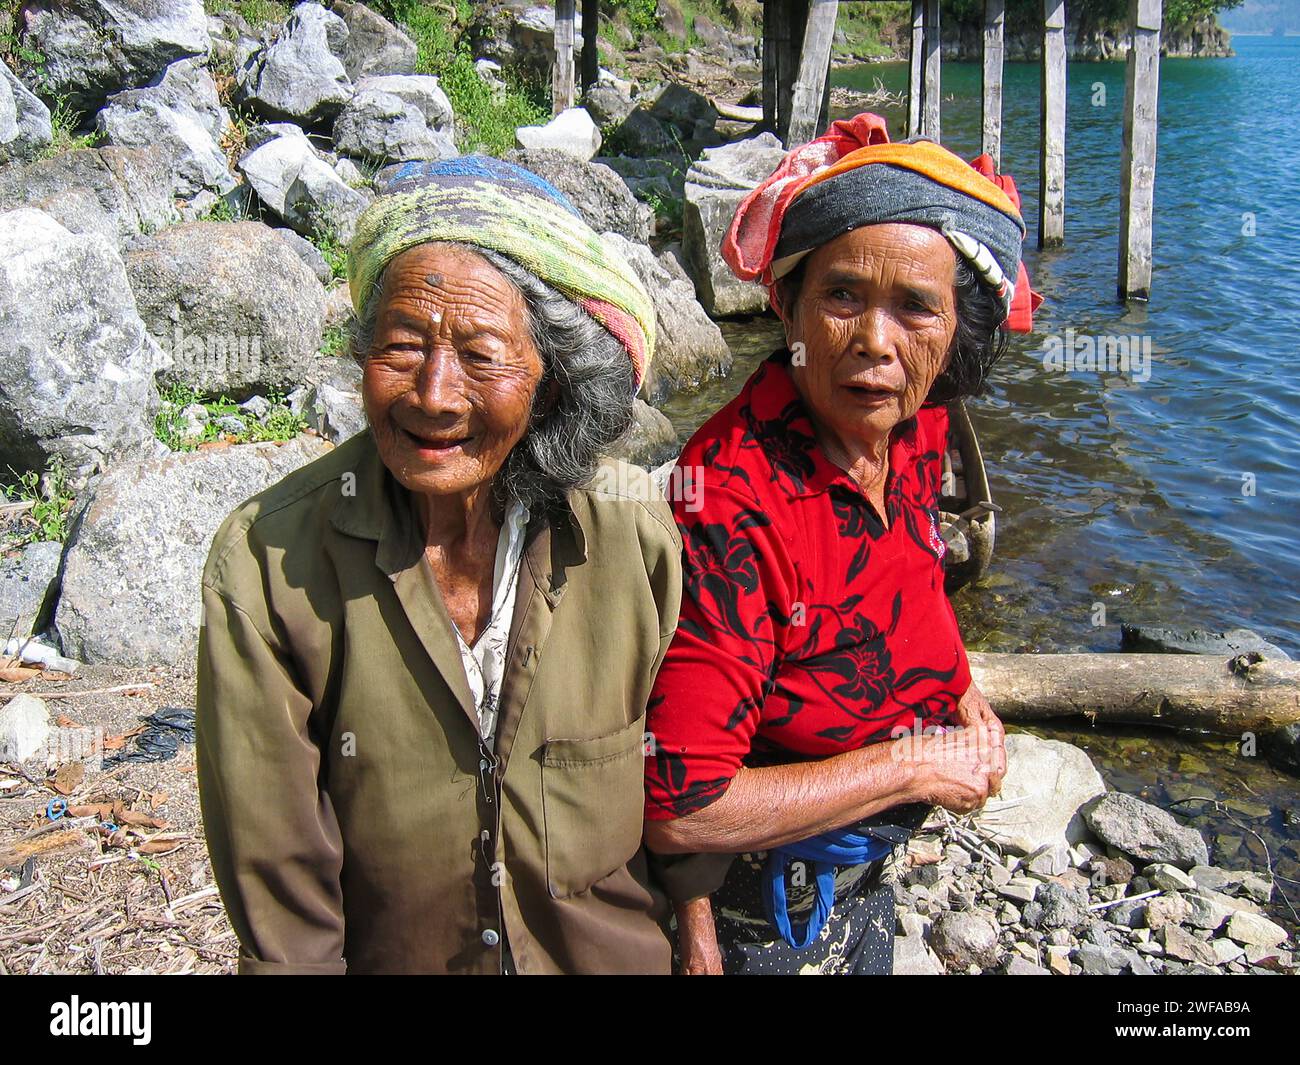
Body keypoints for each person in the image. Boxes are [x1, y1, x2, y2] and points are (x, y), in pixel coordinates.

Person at [197, 156, 681, 974]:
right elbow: (284, 914)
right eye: (401, 346)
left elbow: (680, 798)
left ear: (552, 382)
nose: (433, 392)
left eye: (481, 355)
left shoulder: (635, 536)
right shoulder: (268, 565)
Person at [643, 114, 1042, 975]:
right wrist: (912, 765)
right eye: (844, 296)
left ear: (955, 330)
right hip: (767, 896)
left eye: (915, 307)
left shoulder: (916, 422)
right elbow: (683, 805)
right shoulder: (731, 502)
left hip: (860, 867)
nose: (875, 341)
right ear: (787, 302)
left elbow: (911, 564)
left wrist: (958, 687)